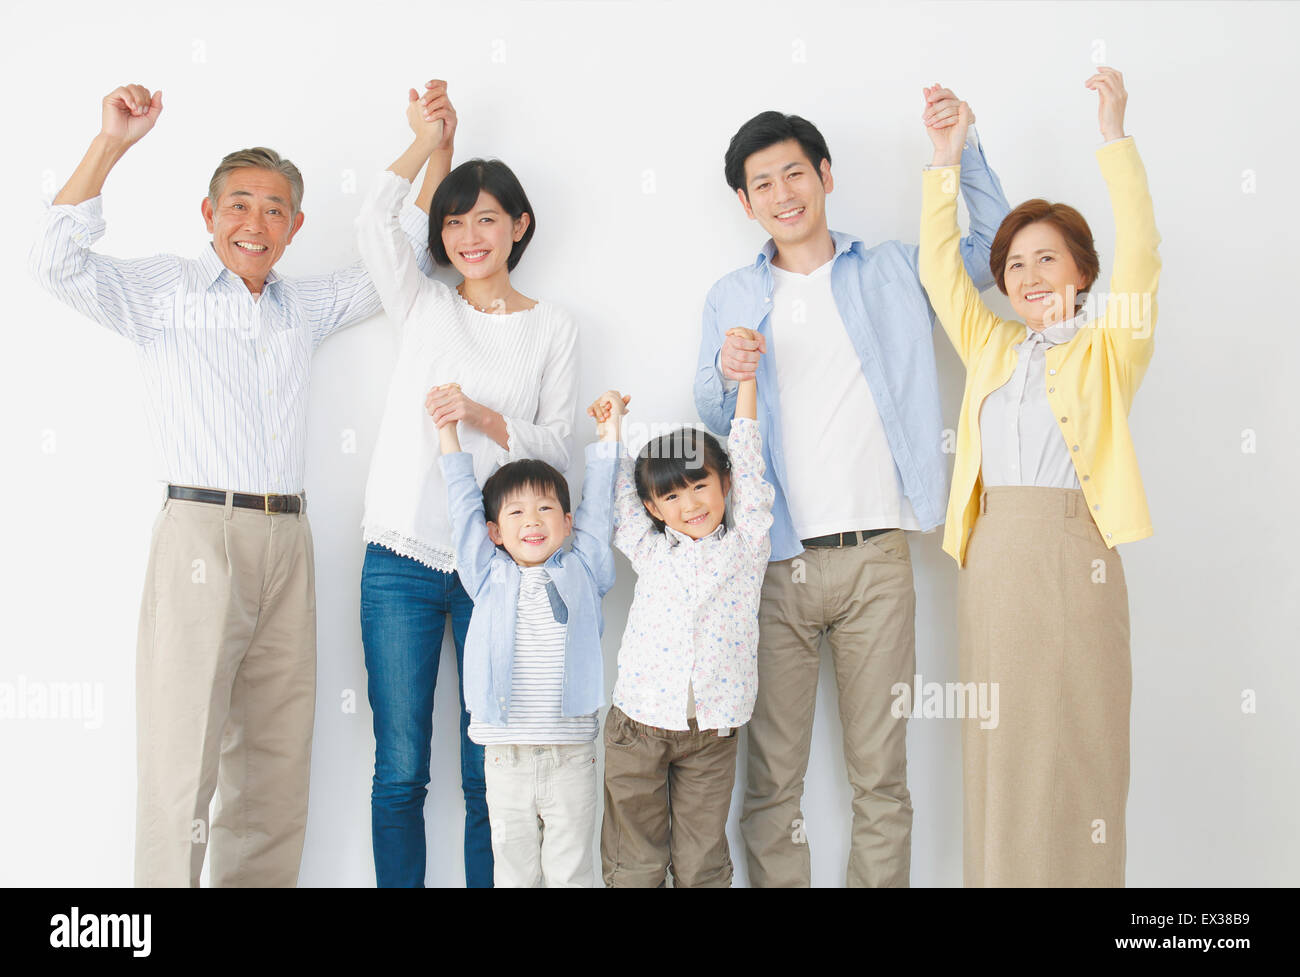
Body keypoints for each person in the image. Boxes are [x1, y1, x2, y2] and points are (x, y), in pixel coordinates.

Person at [27, 82, 435, 887]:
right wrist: (113, 142)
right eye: (240, 205)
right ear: (209, 216)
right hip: (198, 535)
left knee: (277, 764)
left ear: (295, 226)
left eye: (275, 209)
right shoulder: (164, 294)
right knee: (183, 759)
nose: (256, 222)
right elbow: (53, 261)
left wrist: (429, 142)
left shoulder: (302, 307)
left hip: (290, 537)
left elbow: (409, 255)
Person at [694, 90, 1010, 887]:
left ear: (825, 175)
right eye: (761, 183)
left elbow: (995, 254)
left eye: (794, 173)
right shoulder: (731, 295)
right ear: (744, 201)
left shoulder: (899, 269)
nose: (782, 193)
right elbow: (708, 411)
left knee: (882, 777)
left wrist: (961, 153)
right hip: (772, 562)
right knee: (771, 783)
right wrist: (728, 378)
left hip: (877, 557)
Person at [917, 67, 1158, 887]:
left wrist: (1114, 138)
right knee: (1002, 753)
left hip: (1073, 554)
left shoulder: (1109, 344)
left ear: (1081, 272)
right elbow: (941, 273)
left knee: (1081, 745)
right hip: (992, 563)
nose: (1026, 276)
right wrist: (946, 161)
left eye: (1045, 259)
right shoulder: (992, 346)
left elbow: (1144, 252)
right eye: (1015, 264)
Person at [355, 81, 579, 887]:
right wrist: (424, 140)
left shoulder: (553, 326)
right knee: (400, 771)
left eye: (487, 217)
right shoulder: (421, 303)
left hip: (501, 573)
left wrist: (485, 416)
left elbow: (563, 455)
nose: (468, 234)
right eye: (453, 220)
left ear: (519, 226)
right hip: (403, 559)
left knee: (493, 774)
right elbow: (371, 223)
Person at [431, 385, 620, 887]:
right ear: (495, 531)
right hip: (506, 758)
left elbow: (600, 506)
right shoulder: (487, 574)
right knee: (513, 874)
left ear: (567, 522)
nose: (532, 521)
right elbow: (462, 506)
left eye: (545, 510)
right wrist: (448, 433)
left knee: (572, 872)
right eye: (515, 513)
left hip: (571, 756)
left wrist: (609, 435)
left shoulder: (586, 567)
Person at [602, 341, 775, 888]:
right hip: (639, 723)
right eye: (673, 497)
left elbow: (745, 455)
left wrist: (746, 380)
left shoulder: (747, 542)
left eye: (701, 485)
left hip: (712, 731)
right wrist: (613, 428)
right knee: (636, 861)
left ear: (725, 486)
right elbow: (619, 500)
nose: (691, 504)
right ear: (654, 509)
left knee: (702, 861)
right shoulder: (651, 548)